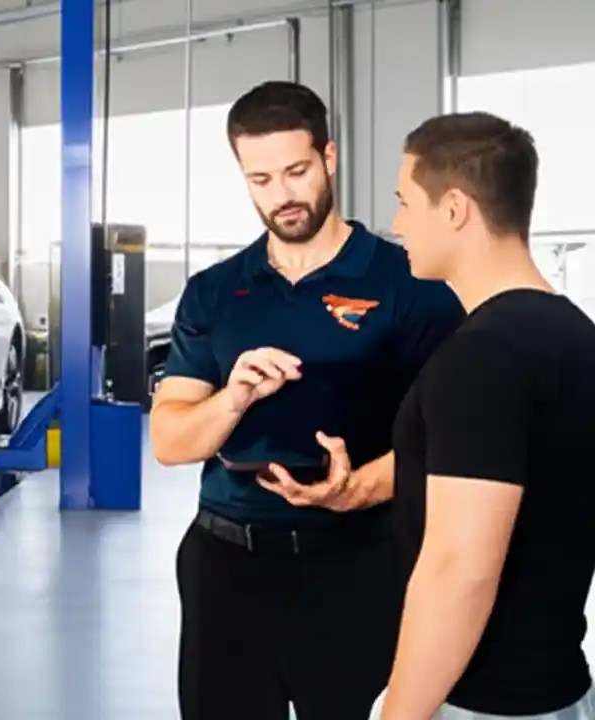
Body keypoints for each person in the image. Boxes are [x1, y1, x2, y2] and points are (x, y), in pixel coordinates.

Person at [149, 80, 465, 720]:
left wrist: (361, 489)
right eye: (260, 179)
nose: (282, 195)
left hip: (358, 566)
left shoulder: (409, 284)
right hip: (225, 568)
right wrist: (232, 399)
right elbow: (169, 441)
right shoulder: (214, 293)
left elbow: (454, 443)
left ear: (329, 157)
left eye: (296, 171)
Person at [370, 113, 595, 719]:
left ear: (455, 210)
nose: (396, 225)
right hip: (560, 691)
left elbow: (458, 572)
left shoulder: (480, 359)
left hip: (482, 703)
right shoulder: (575, 335)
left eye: (404, 202)